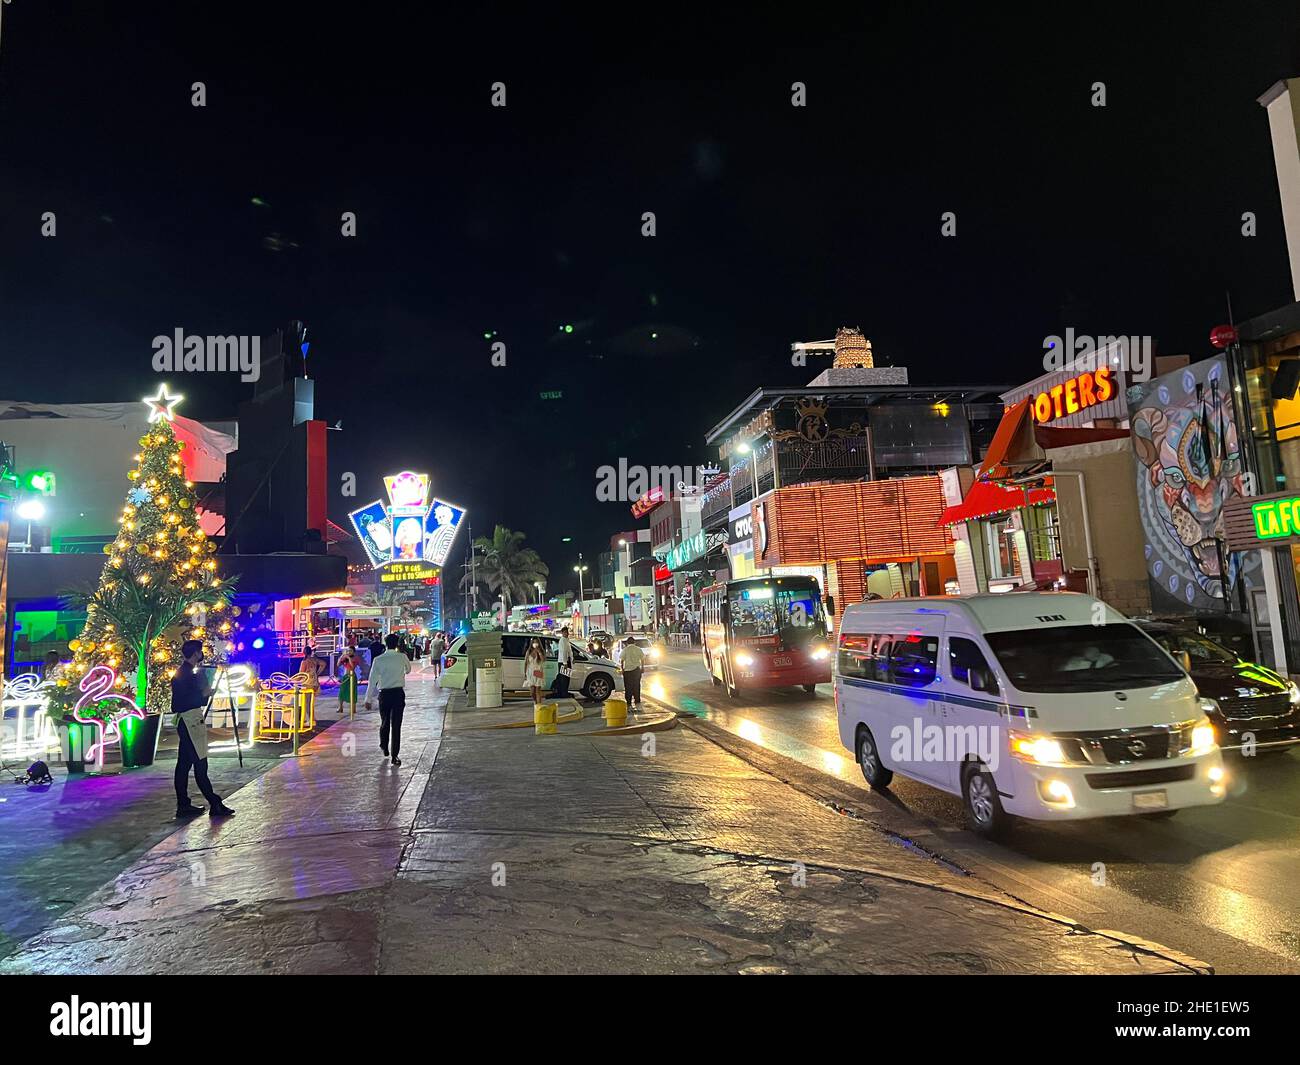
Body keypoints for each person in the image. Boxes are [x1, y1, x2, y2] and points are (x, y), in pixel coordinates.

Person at [170, 640, 235, 818]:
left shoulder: (182, 672)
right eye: (200, 652)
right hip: (191, 722)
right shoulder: (190, 675)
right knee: (200, 764)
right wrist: (205, 693)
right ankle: (214, 803)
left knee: (183, 765)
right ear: (196, 653)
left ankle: (184, 804)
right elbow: (188, 700)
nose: (202, 654)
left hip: (186, 723)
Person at [366, 633, 411, 766]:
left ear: (385, 644)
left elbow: (372, 680)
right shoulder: (402, 657)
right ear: (397, 643)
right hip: (398, 693)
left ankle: (384, 746)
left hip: (384, 695)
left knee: (385, 721)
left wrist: (368, 698)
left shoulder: (378, 660)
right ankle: (395, 755)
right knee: (396, 725)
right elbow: (408, 670)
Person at [620, 636, 644, 710]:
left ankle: (629, 701)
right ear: (634, 642)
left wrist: (622, 669)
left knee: (628, 687)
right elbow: (642, 659)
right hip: (636, 670)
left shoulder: (625, 650)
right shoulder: (638, 649)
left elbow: (622, 660)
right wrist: (642, 667)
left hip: (627, 671)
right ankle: (637, 700)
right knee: (636, 685)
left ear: (627, 643)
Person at [524, 637, 547, 705]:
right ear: (531, 643)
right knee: (532, 692)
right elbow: (526, 662)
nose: (535, 644)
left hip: (538, 671)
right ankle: (535, 701)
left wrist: (539, 652)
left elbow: (543, 660)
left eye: (536, 642)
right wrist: (525, 673)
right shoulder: (528, 651)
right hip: (530, 672)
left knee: (538, 690)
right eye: (534, 642)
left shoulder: (541, 651)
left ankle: (538, 705)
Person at [337, 650, 358, 717]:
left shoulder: (355, 658)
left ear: (354, 652)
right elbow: (338, 664)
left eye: (350, 651)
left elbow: (352, 667)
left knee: (353, 692)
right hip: (345, 677)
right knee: (342, 692)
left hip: (352, 676)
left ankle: (353, 708)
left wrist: (349, 659)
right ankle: (340, 707)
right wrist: (341, 657)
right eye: (348, 651)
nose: (349, 652)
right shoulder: (345, 659)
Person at [554, 626, 573, 698]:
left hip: (567, 661)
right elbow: (563, 652)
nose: (566, 633)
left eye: (567, 632)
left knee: (567, 678)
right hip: (563, 662)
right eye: (565, 632)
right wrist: (565, 663)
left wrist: (572, 658)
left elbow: (569, 650)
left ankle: (565, 692)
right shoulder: (562, 640)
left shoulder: (566, 640)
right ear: (562, 633)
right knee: (563, 679)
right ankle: (563, 694)